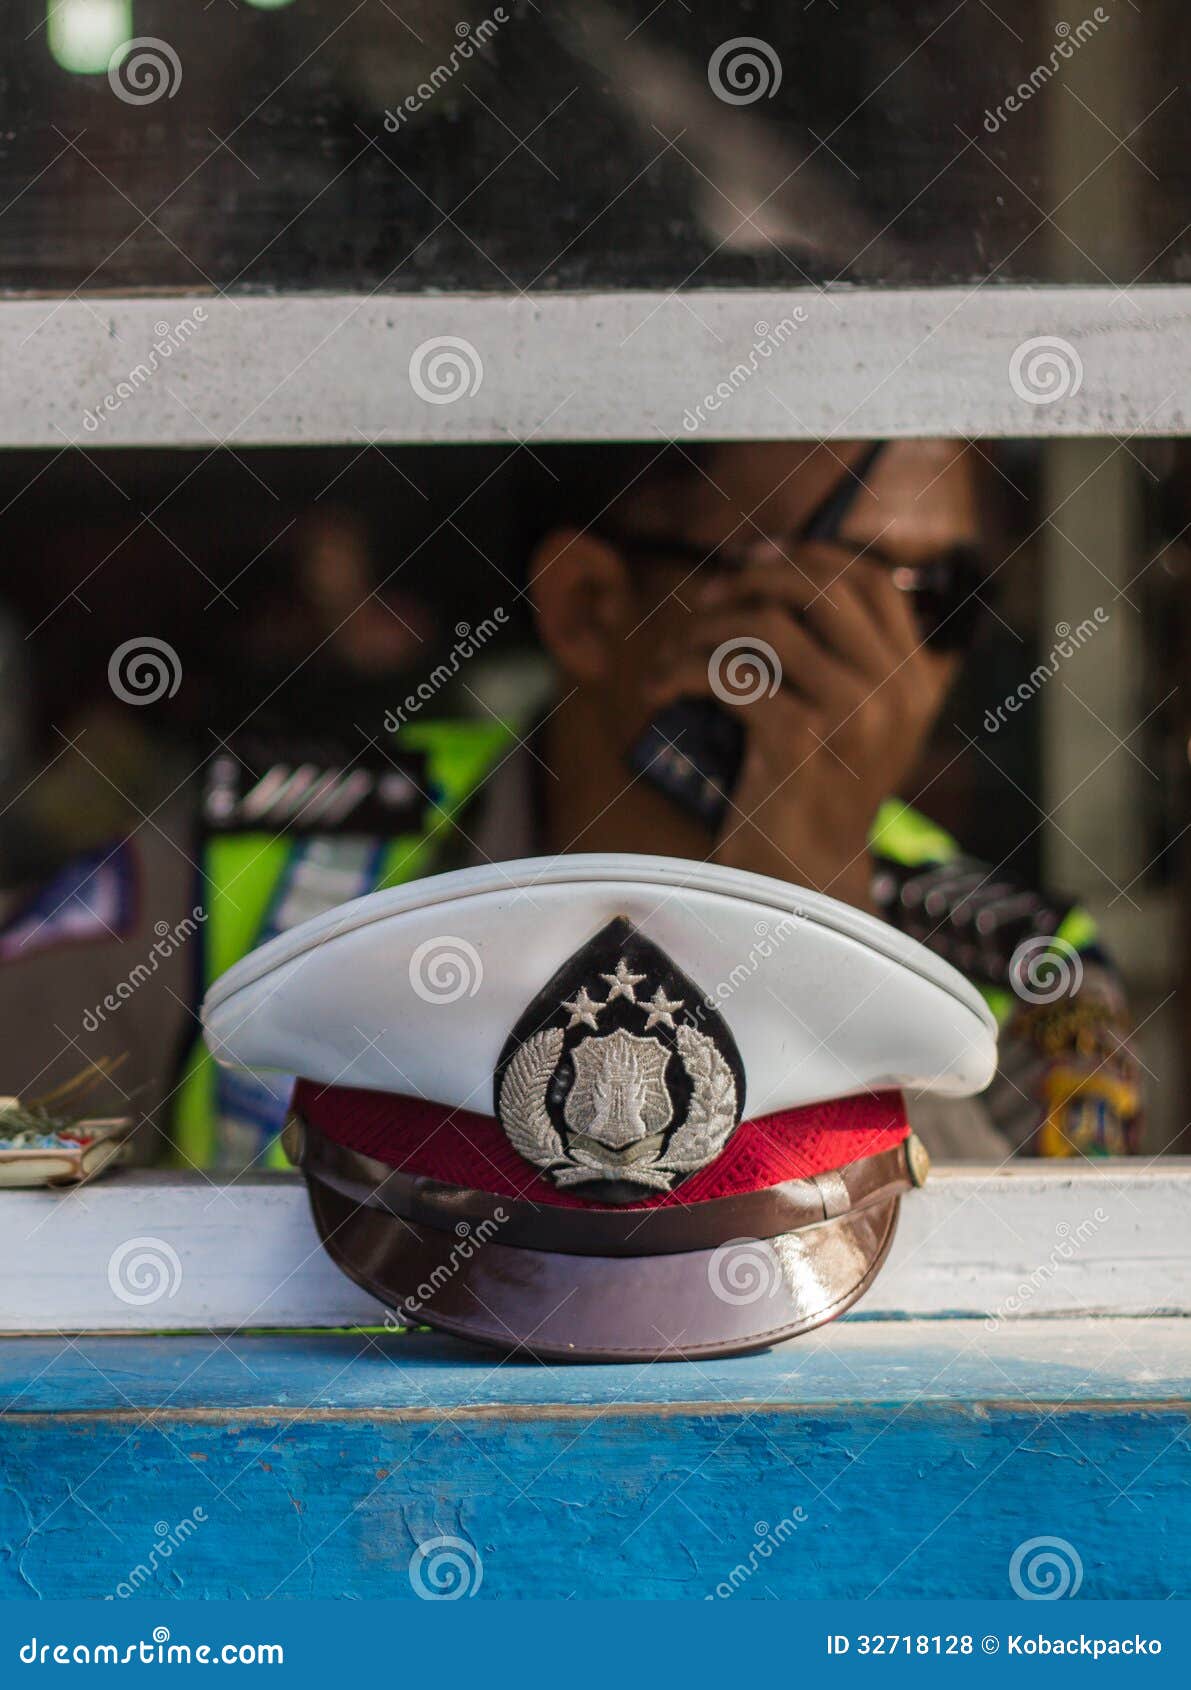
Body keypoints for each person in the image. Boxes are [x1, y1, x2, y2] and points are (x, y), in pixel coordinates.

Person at [0, 440, 1142, 1167]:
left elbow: (1014, 1369)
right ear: (591, 606)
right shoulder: (260, 855)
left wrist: (811, 933)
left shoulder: (1021, 971)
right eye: (819, 603)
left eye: (938, 599)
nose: (889, 672)